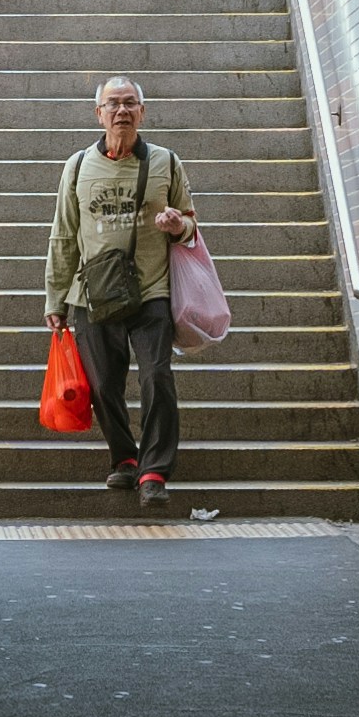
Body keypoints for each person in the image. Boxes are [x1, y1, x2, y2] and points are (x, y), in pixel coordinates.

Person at [41, 72, 213, 516]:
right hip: (91, 294)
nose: (122, 110)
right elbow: (63, 235)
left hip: (150, 290)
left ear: (142, 112)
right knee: (103, 386)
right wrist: (55, 300)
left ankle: (154, 471)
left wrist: (180, 226)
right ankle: (125, 456)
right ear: (98, 114)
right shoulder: (77, 166)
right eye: (113, 103)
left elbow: (193, 222)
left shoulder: (166, 162)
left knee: (157, 375)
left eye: (130, 103)